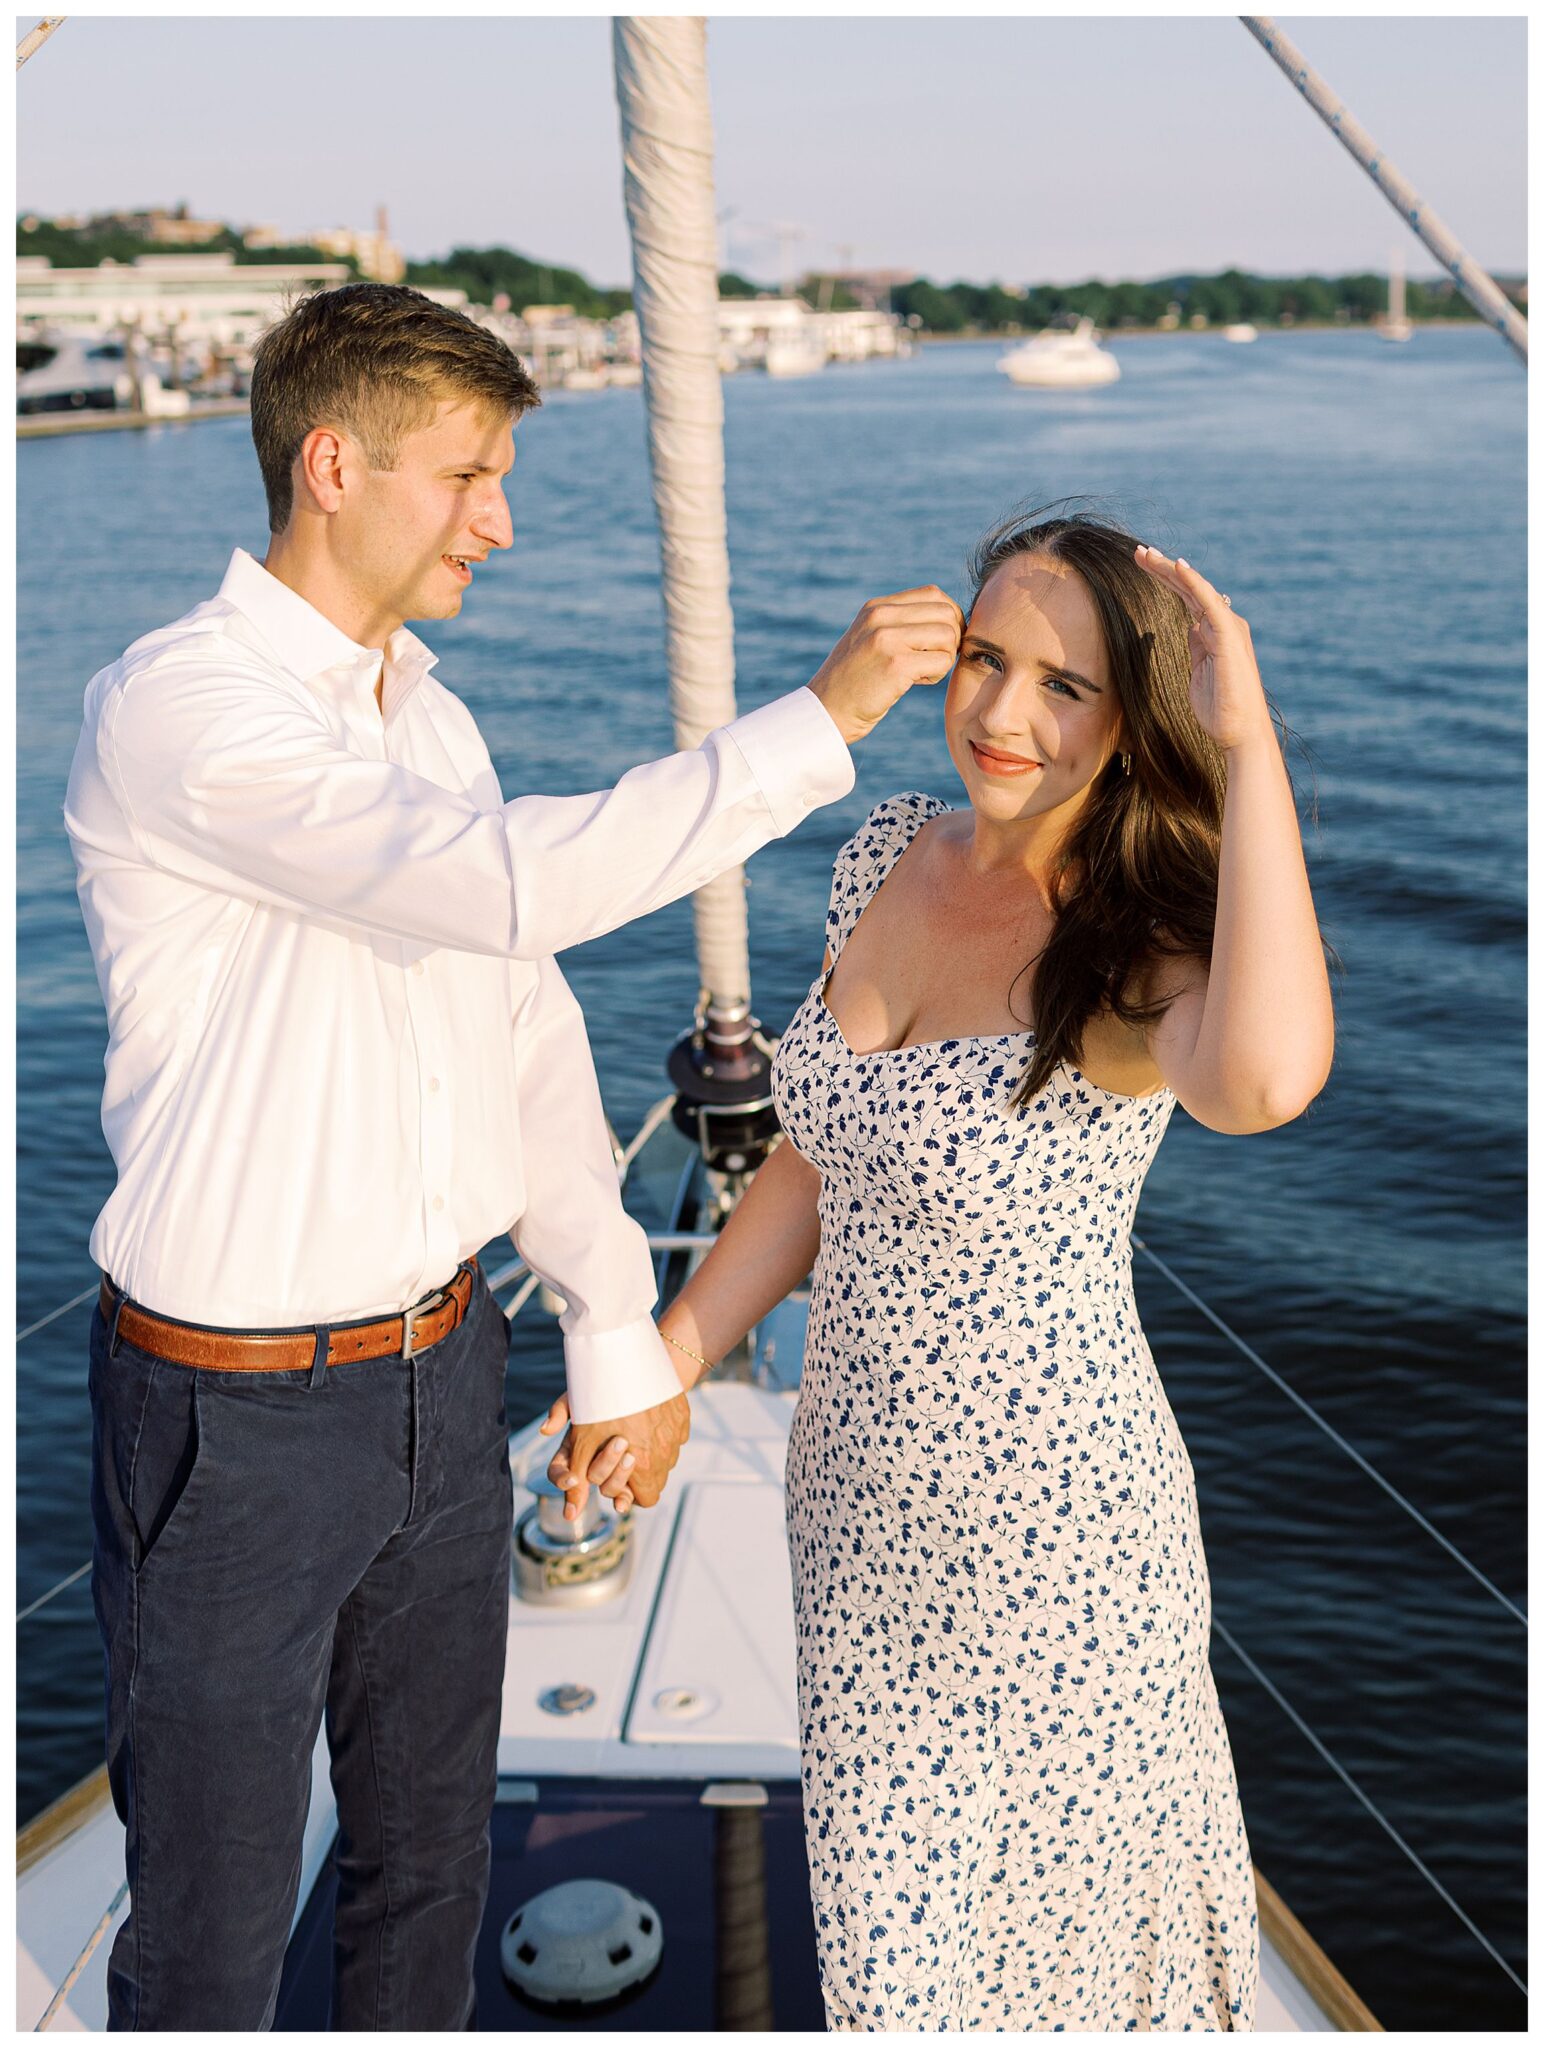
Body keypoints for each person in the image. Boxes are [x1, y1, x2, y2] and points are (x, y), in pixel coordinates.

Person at [62, 280, 963, 2030]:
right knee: (214, 1924)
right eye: (470, 474)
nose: (500, 516)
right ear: (335, 464)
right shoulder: (179, 711)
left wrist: (611, 1331)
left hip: (441, 1380)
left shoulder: (430, 717)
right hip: (232, 1423)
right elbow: (512, 885)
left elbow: (525, 1029)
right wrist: (821, 718)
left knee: (429, 1868)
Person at [546, 507, 1334, 2029]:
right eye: (986, 658)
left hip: (1060, 1565)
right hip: (858, 1536)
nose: (1000, 712)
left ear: (1135, 720)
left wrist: (1248, 754)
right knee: (898, 1982)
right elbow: (814, 1161)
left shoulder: (1133, 939)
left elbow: (1269, 1078)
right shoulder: (889, 850)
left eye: (1062, 685)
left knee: (1067, 1992)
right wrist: (666, 1359)